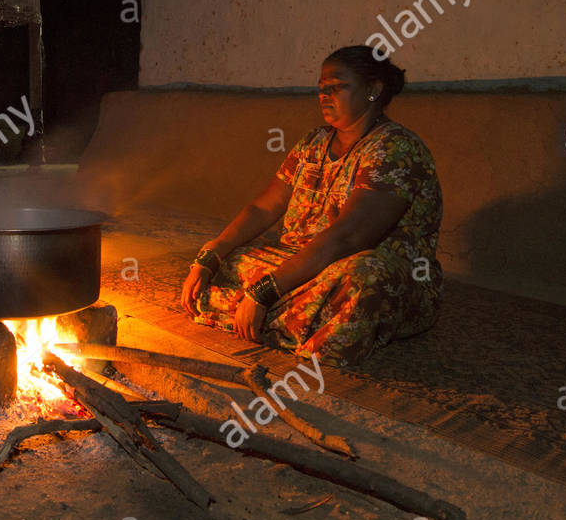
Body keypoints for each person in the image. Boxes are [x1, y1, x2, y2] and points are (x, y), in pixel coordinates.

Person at [180, 45, 443, 367]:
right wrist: (212, 253)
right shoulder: (313, 142)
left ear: (373, 90)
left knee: (365, 278)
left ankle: (253, 314)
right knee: (232, 260)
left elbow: (348, 237)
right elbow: (266, 207)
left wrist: (265, 291)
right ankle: (300, 324)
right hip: (305, 264)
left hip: (358, 268)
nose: (324, 95)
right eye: (321, 88)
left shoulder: (395, 149)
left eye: (337, 87)